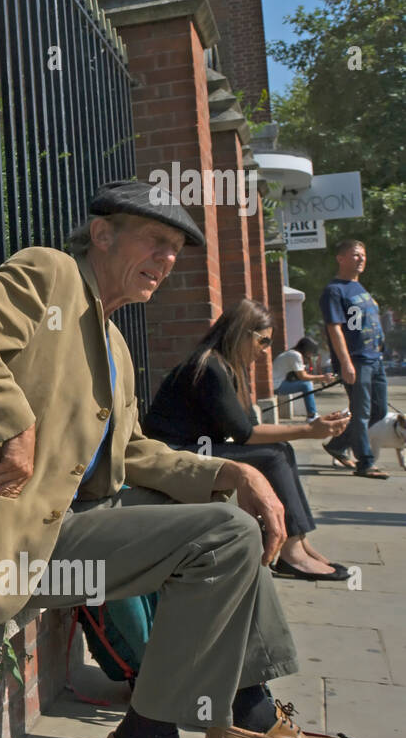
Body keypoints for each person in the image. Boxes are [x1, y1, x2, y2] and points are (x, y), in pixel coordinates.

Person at [0, 179, 358, 738]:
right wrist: (12, 423)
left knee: (227, 516)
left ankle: (245, 718)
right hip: (14, 558)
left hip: (73, 553)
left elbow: (136, 451)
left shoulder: (115, 342)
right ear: (101, 235)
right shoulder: (53, 277)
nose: (166, 260)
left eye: (175, 251)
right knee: (224, 535)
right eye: (155, 242)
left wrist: (234, 473)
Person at [143, 301, 351, 582]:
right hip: (173, 455)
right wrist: (309, 429)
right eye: (263, 341)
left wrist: (311, 428)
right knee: (274, 455)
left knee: (280, 450)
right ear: (241, 333)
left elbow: (245, 429)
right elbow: (246, 434)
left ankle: (298, 540)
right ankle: (292, 552)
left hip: (192, 447)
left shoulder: (221, 365)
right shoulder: (210, 368)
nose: (265, 351)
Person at [321, 239, 390, 478]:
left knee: (378, 411)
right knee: (360, 413)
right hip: (357, 361)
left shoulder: (360, 288)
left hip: (375, 359)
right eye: (355, 255)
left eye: (363, 255)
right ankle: (366, 463)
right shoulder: (335, 290)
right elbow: (335, 328)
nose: (361, 259)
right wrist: (346, 363)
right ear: (341, 258)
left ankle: (337, 445)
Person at [272, 336, 335, 422]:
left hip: (276, 384)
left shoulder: (292, 353)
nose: (312, 354)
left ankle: (312, 414)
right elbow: (303, 376)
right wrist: (323, 377)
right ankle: (312, 415)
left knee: (307, 383)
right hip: (276, 386)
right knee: (306, 384)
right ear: (307, 350)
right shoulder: (295, 355)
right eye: (311, 352)